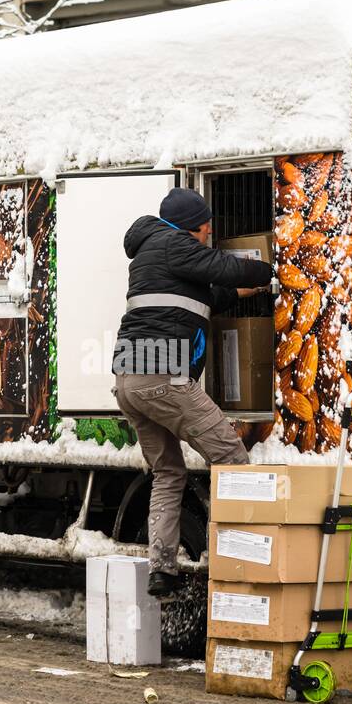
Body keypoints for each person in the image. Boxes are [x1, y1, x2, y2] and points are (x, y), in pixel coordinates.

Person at [112, 187, 273, 597]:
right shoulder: (173, 242)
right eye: (206, 229)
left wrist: (243, 292)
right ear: (194, 228)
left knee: (168, 472)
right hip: (164, 376)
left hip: (129, 380)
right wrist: (267, 271)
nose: (208, 234)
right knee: (231, 458)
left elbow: (205, 294)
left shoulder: (154, 251)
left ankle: (162, 570)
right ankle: (241, 563)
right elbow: (224, 268)